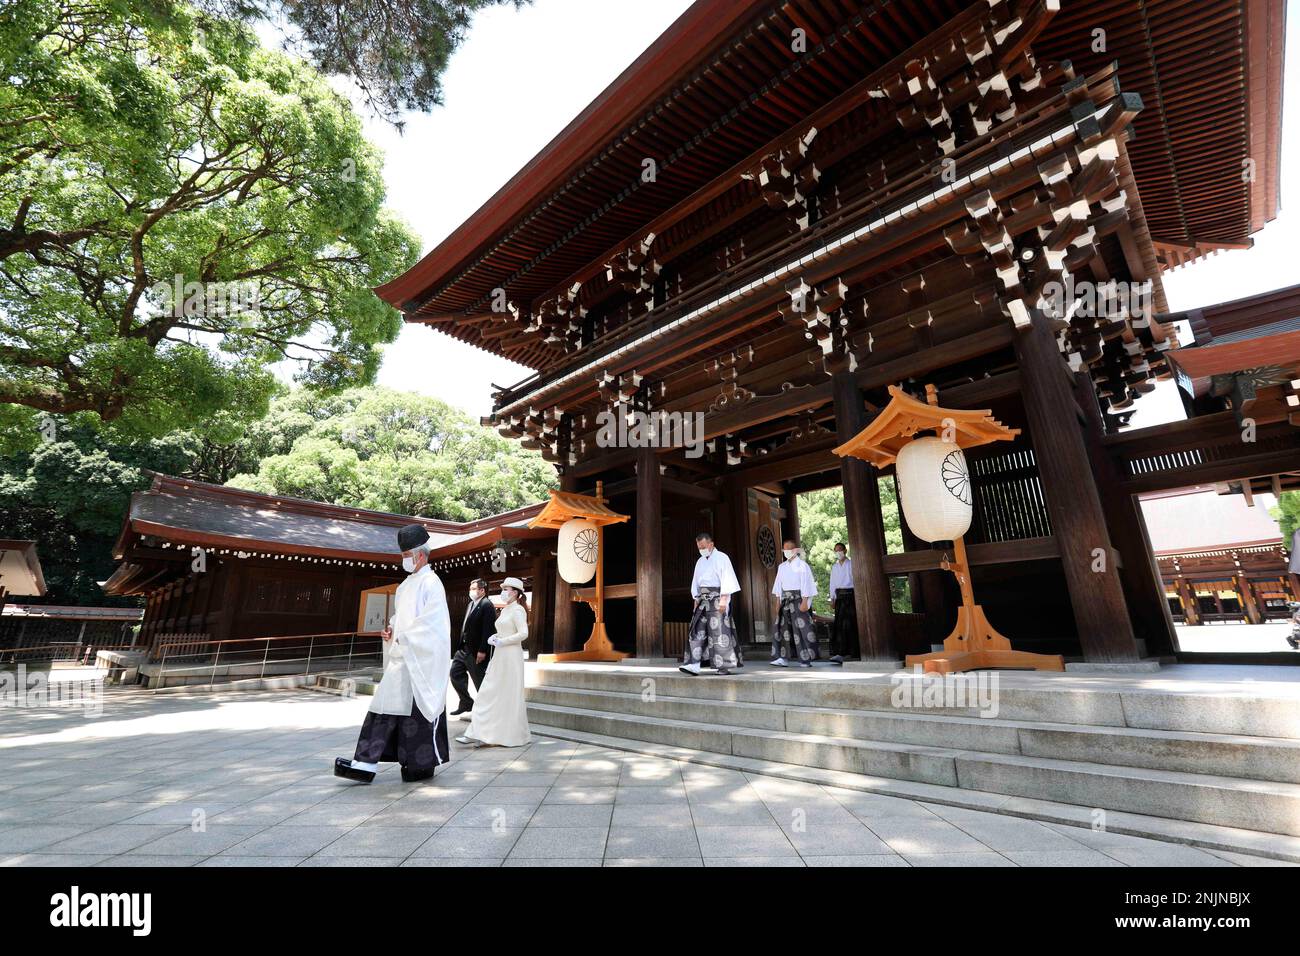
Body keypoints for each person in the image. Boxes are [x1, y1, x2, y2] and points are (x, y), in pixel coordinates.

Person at [335, 524, 451, 784]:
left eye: (406, 555)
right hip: (403, 656)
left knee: (412, 711)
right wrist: (391, 630)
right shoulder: (405, 586)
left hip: (420, 659)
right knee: (384, 706)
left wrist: (406, 636)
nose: (404, 560)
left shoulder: (432, 583)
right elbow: (401, 618)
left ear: (420, 555)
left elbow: (433, 624)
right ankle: (365, 763)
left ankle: (419, 765)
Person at [456, 576, 531, 747]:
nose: (503, 592)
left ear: (516, 593)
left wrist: (503, 641)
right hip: (500, 654)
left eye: (506, 589)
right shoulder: (506, 610)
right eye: (503, 589)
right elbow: (504, 630)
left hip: (511, 656)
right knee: (488, 692)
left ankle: (499, 734)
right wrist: (495, 637)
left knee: (505, 694)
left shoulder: (518, 610)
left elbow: (523, 633)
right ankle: (477, 732)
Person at [680, 531, 741, 676]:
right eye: (699, 547)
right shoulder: (700, 562)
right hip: (702, 600)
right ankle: (693, 664)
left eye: (703, 546)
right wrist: (696, 599)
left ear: (711, 544)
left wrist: (724, 600)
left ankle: (723, 666)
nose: (701, 549)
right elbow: (696, 582)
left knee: (719, 633)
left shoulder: (722, 558)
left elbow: (727, 578)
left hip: (717, 598)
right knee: (696, 631)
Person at [450, 578, 495, 718]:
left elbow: (488, 629)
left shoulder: (487, 605)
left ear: (482, 590)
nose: (471, 591)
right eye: (470, 589)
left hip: (476, 650)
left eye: (474, 588)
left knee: (479, 680)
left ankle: (487, 709)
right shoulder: (470, 604)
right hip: (463, 647)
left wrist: (483, 650)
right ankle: (466, 702)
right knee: (454, 673)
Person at [770, 539, 818, 667]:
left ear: (795, 550)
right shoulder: (782, 567)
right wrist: (777, 601)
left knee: (801, 629)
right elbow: (778, 586)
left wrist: (805, 601)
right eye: (785, 549)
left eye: (790, 549)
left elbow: (806, 583)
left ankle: (805, 659)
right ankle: (783, 658)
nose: (787, 551)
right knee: (783, 629)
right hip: (785, 600)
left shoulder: (802, 565)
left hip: (798, 599)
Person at [828, 542, 858, 663]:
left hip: (851, 596)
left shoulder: (851, 564)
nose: (838, 552)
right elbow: (832, 584)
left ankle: (854, 652)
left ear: (845, 551)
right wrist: (832, 598)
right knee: (839, 625)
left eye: (840, 550)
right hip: (839, 597)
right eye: (836, 550)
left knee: (850, 624)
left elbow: (855, 580)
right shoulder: (834, 567)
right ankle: (840, 653)